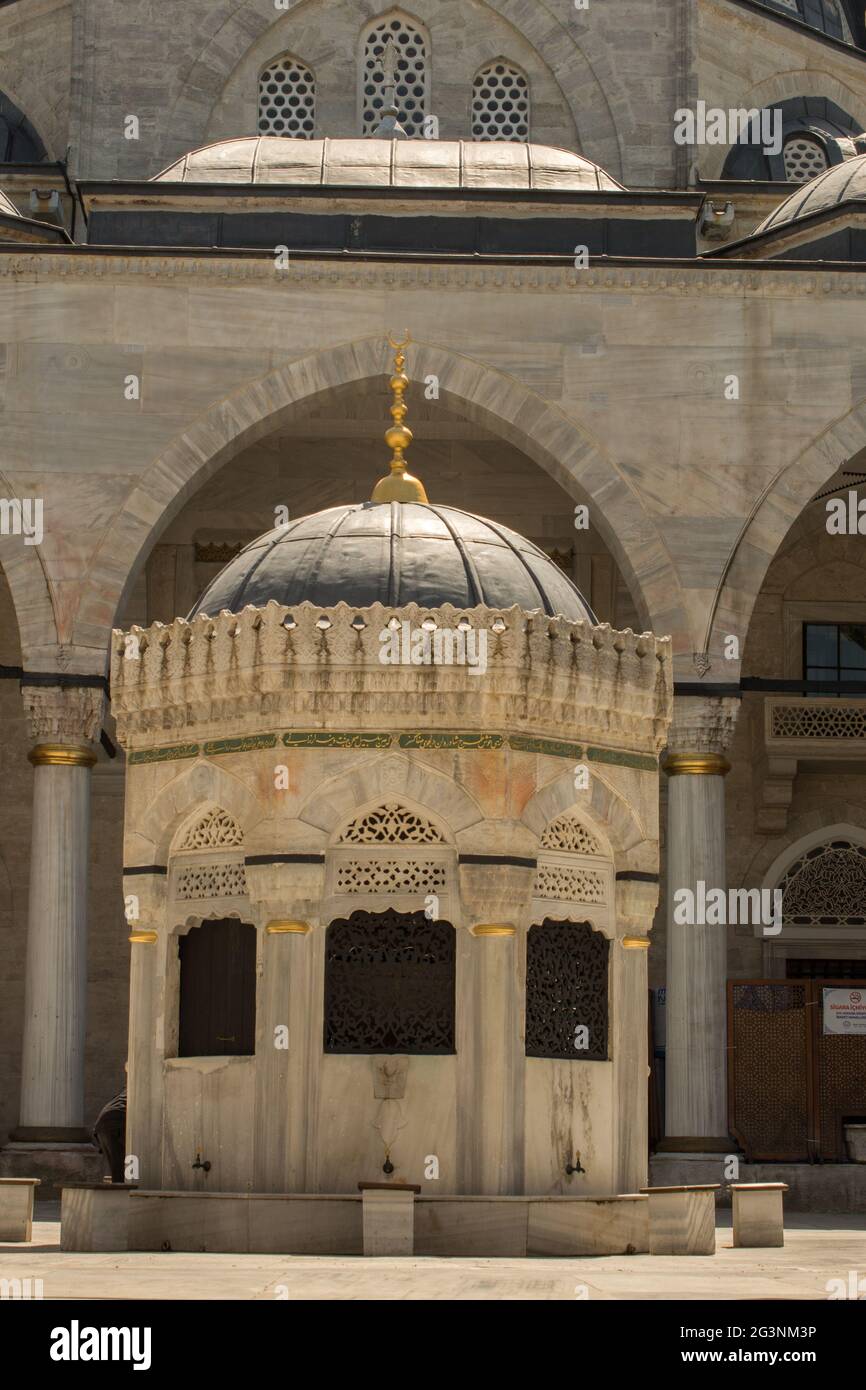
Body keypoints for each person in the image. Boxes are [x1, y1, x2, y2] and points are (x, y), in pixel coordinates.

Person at [92, 1076, 127, 1185]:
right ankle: (122, 1196)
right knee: (123, 1167)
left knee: (117, 1167)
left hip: (102, 1123)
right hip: (116, 1121)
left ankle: (119, 1193)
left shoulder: (128, 1088)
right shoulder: (145, 1089)